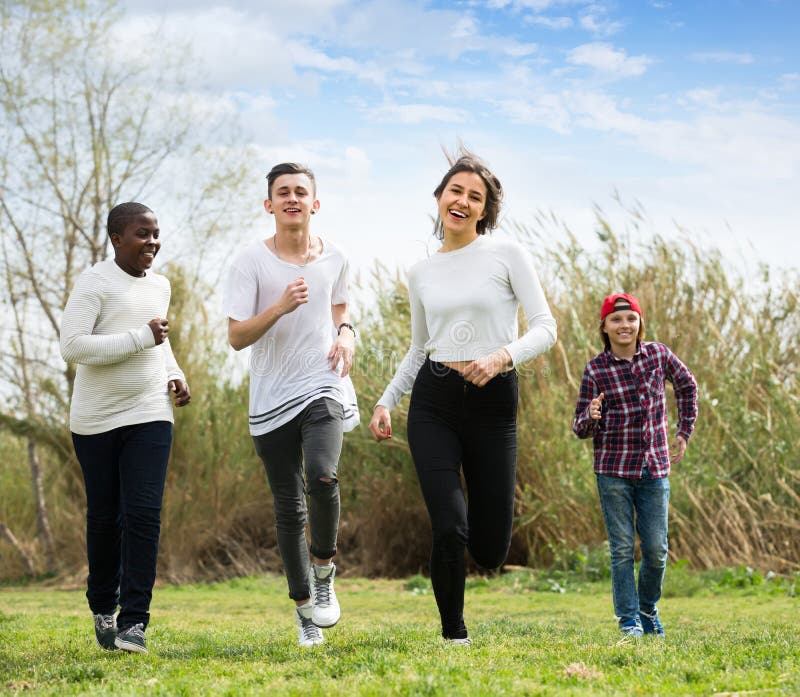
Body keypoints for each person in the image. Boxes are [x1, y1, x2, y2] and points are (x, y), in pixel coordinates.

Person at [368, 148, 557, 646]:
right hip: (435, 403)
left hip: (494, 405)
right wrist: (387, 400)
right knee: (449, 525)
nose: (463, 201)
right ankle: (454, 633)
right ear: (439, 198)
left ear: (484, 211)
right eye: (456, 191)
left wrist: (501, 358)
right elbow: (417, 347)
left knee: (491, 549)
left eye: (476, 197)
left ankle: (481, 553)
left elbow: (546, 328)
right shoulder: (421, 272)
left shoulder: (507, 254)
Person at [223, 162, 359, 648]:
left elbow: (341, 306)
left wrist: (346, 334)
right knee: (289, 508)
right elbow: (237, 337)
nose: (292, 198)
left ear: (315, 204)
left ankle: (324, 571)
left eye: (301, 191)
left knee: (323, 477)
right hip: (271, 395)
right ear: (270, 205)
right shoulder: (248, 263)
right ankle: (304, 609)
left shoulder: (336, 256)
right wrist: (279, 306)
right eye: (283, 193)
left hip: (323, 383)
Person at [60, 202, 191, 654]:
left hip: (149, 410)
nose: (152, 241)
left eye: (156, 233)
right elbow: (73, 347)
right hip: (95, 419)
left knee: (143, 514)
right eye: (142, 234)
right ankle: (103, 606)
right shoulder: (95, 282)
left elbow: (160, 340)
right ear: (117, 239)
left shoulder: (161, 285)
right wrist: (141, 337)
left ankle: (134, 622)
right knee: (105, 517)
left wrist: (175, 372)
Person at [572, 292, 697, 638]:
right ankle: (629, 621)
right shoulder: (595, 369)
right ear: (605, 327)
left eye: (631, 319)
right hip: (613, 470)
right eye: (616, 320)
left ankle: (647, 608)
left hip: (655, 469)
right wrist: (591, 415)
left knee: (657, 550)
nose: (624, 325)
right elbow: (579, 427)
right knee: (623, 548)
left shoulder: (658, 355)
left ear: (640, 323)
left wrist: (683, 432)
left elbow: (687, 386)